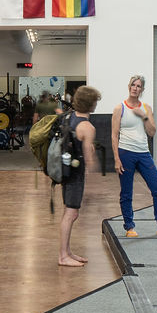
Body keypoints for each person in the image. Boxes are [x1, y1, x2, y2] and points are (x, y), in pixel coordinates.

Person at [112, 76, 157, 239]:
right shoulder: (120, 108)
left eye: (139, 86)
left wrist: (144, 116)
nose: (135, 88)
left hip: (143, 153)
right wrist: (117, 159)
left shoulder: (146, 108)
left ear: (142, 90)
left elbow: (152, 132)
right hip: (125, 153)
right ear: (129, 86)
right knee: (126, 193)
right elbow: (114, 135)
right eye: (133, 85)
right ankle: (129, 227)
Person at [55, 85, 100, 267]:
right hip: (75, 176)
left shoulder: (69, 117)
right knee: (71, 213)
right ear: (91, 104)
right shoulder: (88, 127)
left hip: (65, 171)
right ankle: (63, 256)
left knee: (69, 212)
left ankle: (67, 252)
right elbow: (89, 159)